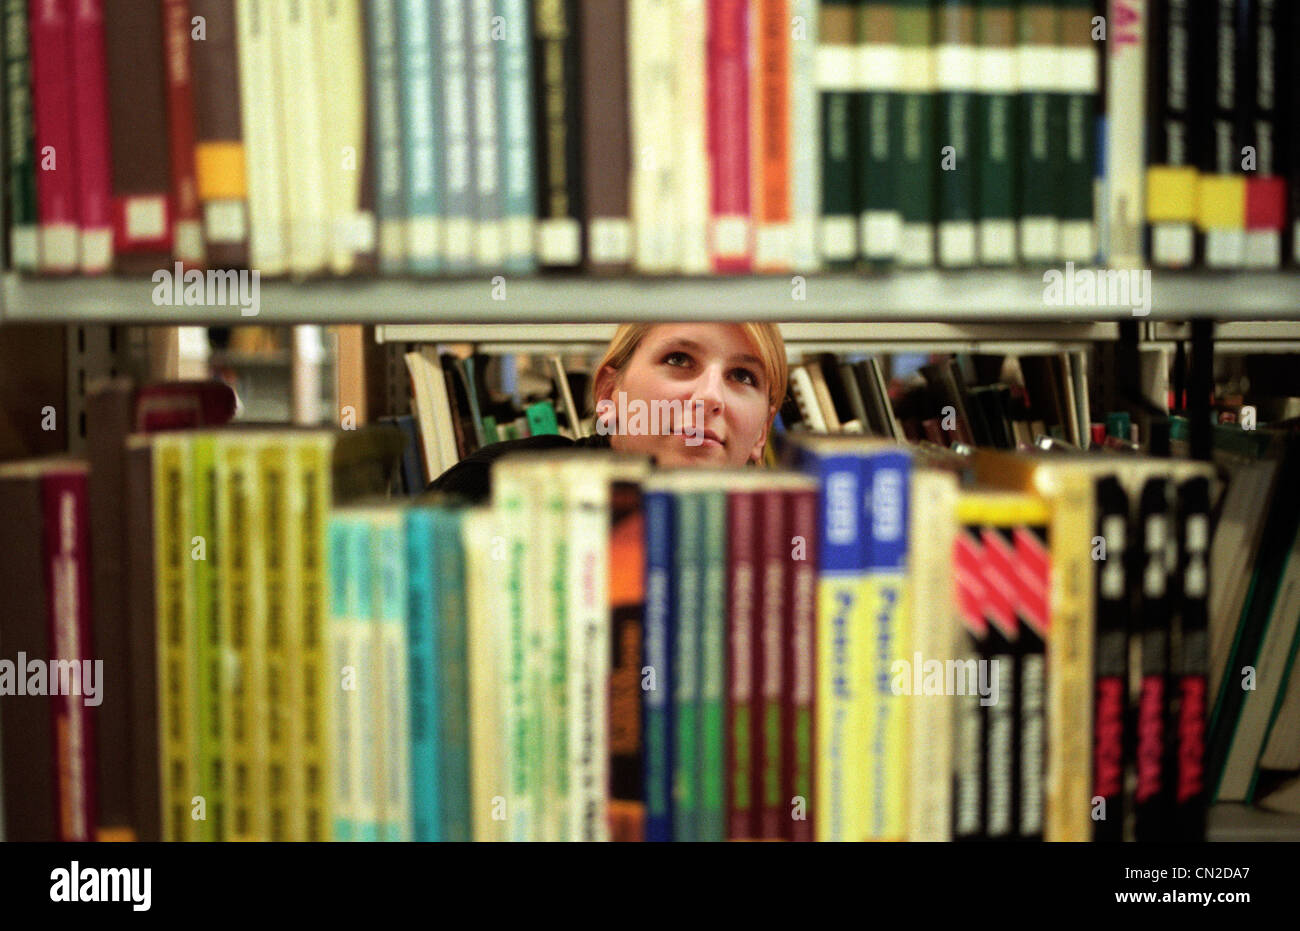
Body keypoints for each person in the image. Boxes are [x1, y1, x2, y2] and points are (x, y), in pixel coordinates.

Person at [425, 321, 788, 501]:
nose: (710, 397)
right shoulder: (496, 487)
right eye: (678, 359)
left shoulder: (791, 542)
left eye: (742, 376)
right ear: (609, 394)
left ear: (761, 433)